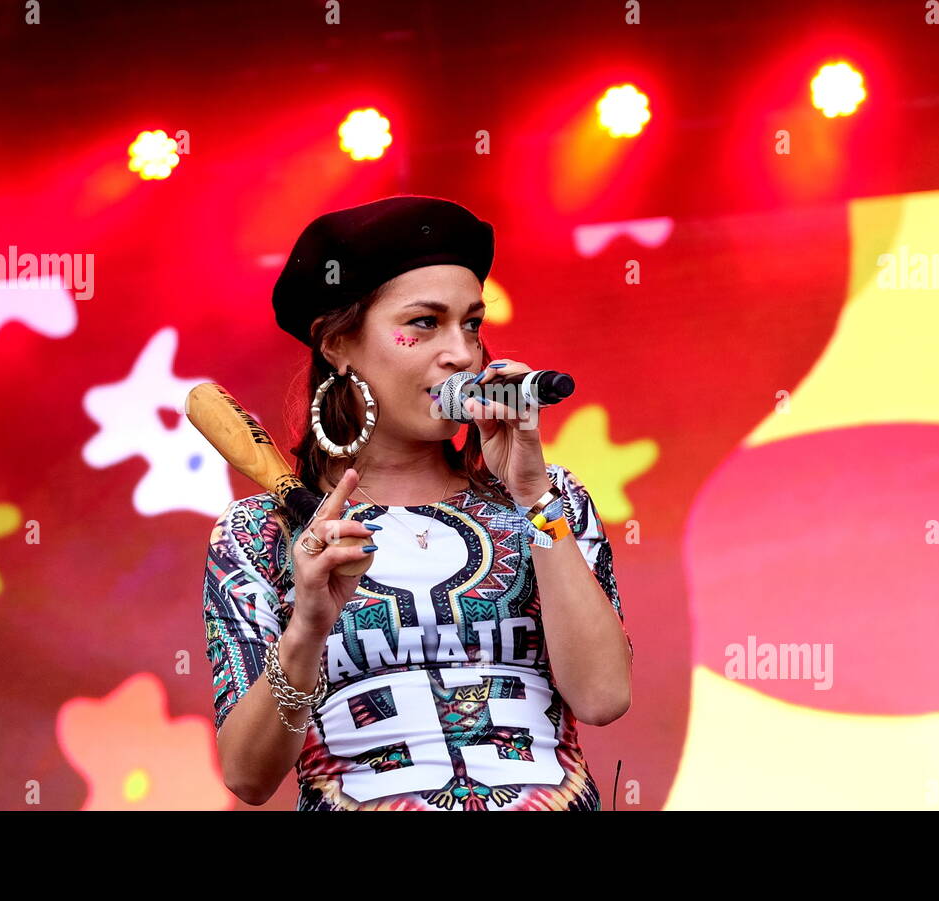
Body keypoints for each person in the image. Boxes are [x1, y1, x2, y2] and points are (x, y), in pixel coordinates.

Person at [201, 195, 633, 810]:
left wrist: (534, 498)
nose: (461, 352)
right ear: (339, 344)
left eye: (472, 324)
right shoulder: (258, 535)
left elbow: (602, 697)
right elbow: (248, 774)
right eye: (425, 323)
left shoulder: (549, 500)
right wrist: (307, 627)